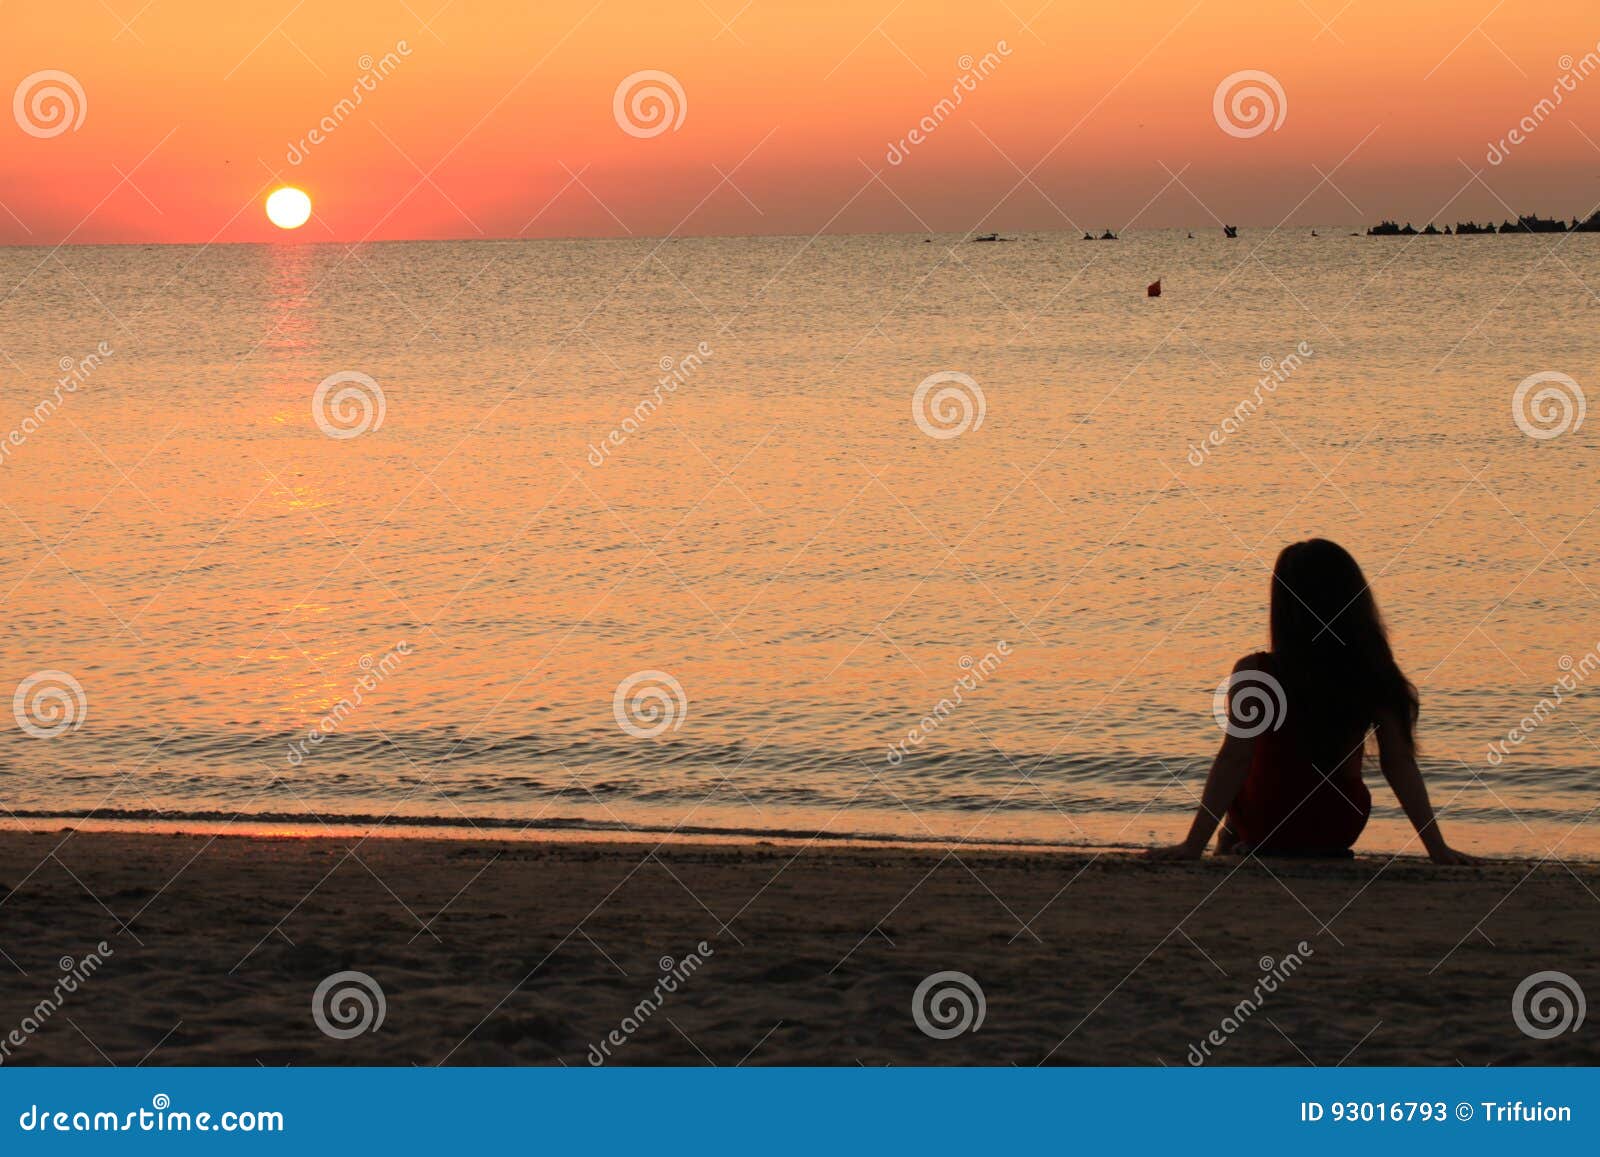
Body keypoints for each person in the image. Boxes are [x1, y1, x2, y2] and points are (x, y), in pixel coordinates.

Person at [1148, 538, 1476, 864]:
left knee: (1245, 796)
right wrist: (1438, 849)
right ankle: (1236, 838)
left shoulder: (1257, 672)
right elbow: (1399, 764)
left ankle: (1229, 841)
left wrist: (1192, 846)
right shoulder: (1375, 673)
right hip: (1338, 824)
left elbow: (1235, 759)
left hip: (1266, 820)